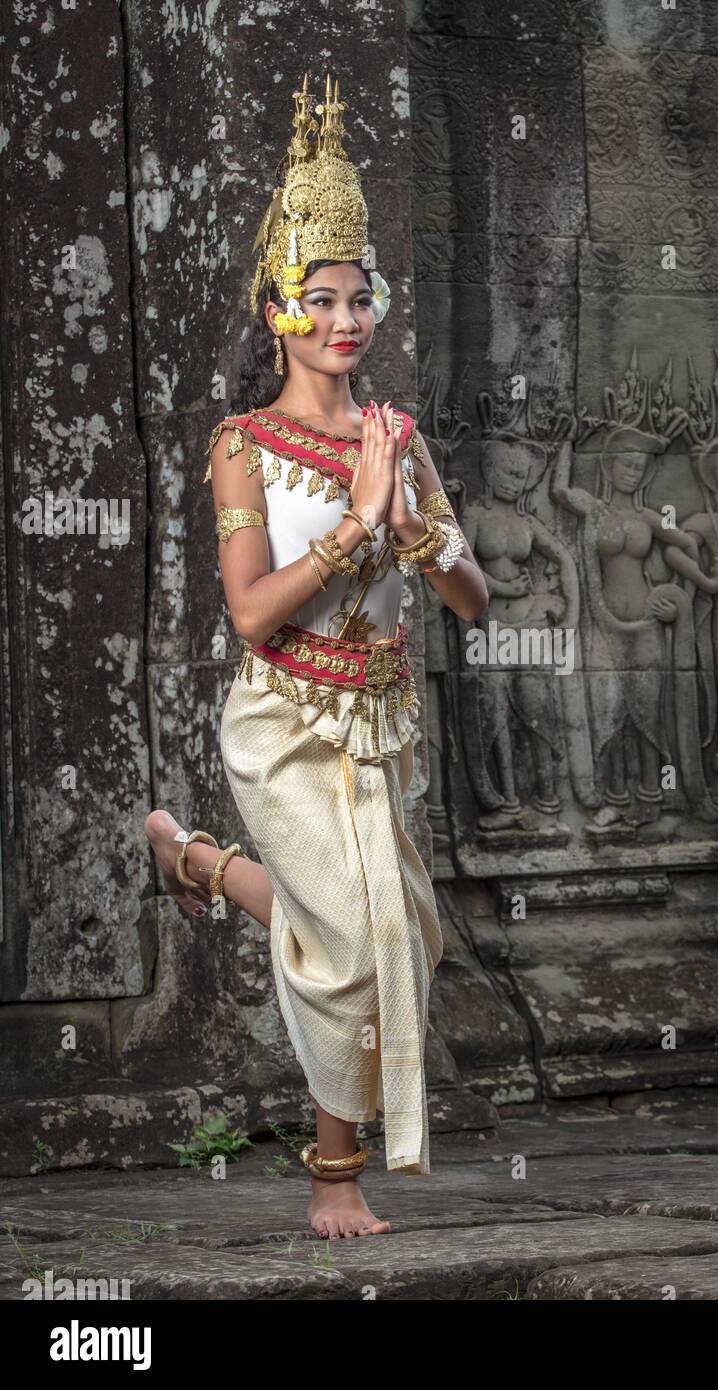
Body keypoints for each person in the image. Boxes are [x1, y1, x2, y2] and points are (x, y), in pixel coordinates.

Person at [144, 75, 487, 1238]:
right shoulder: (243, 445)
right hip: (280, 721)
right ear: (282, 309)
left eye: (360, 299)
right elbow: (250, 615)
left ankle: (198, 865)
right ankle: (332, 1178)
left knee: (408, 936)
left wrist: (414, 529)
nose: (346, 322)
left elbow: (474, 601)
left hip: (381, 721)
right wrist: (353, 526)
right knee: (349, 935)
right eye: (322, 300)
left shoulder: (401, 440)